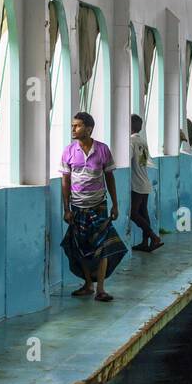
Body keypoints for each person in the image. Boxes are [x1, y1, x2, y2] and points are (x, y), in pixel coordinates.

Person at [60, 112, 126, 302]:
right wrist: (66, 208)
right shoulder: (68, 151)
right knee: (81, 246)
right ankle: (88, 284)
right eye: (73, 126)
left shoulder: (103, 150)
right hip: (77, 206)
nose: (73, 129)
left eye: (77, 126)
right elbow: (65, 180)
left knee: (103, 246)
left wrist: (115, 204)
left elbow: (109, 178)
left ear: (88, 129)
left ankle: (101, 289)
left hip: (99, 206)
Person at [129, 114, 163, 252]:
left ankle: (153, 237)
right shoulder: (143, 142)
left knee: (133, 214)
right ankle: (145, 242)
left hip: (137, 184)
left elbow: (127, 159)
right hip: (145, 181)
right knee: (143, 213)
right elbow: (143, 161)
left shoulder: (130, 142)